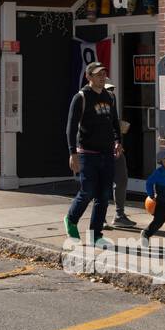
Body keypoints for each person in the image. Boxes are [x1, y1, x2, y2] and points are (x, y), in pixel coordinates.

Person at [63, 61, 121, 246]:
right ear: (89, 77)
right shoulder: (81, 97)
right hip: (87, 153)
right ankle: (71, 220)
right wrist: (73, 153)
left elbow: (115, 122)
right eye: (98, 75)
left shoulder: (110, 97)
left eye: (103, 74)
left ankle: (96, 235)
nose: (102, 77)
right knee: (87, 191)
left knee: (103, 195)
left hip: (107, 153)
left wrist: (118, 141)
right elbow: (71, 128)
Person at [104, 83, 136, 229]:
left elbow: (113, 124)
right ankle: (100, 217)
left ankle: (119, 215)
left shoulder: (111, 101)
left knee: (121, 179)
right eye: (108, 90)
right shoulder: (89, 103)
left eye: (112, 90)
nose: (111, 92)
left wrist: (118, 140)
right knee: (102, 183)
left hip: (115, 147)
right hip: (100, 149)